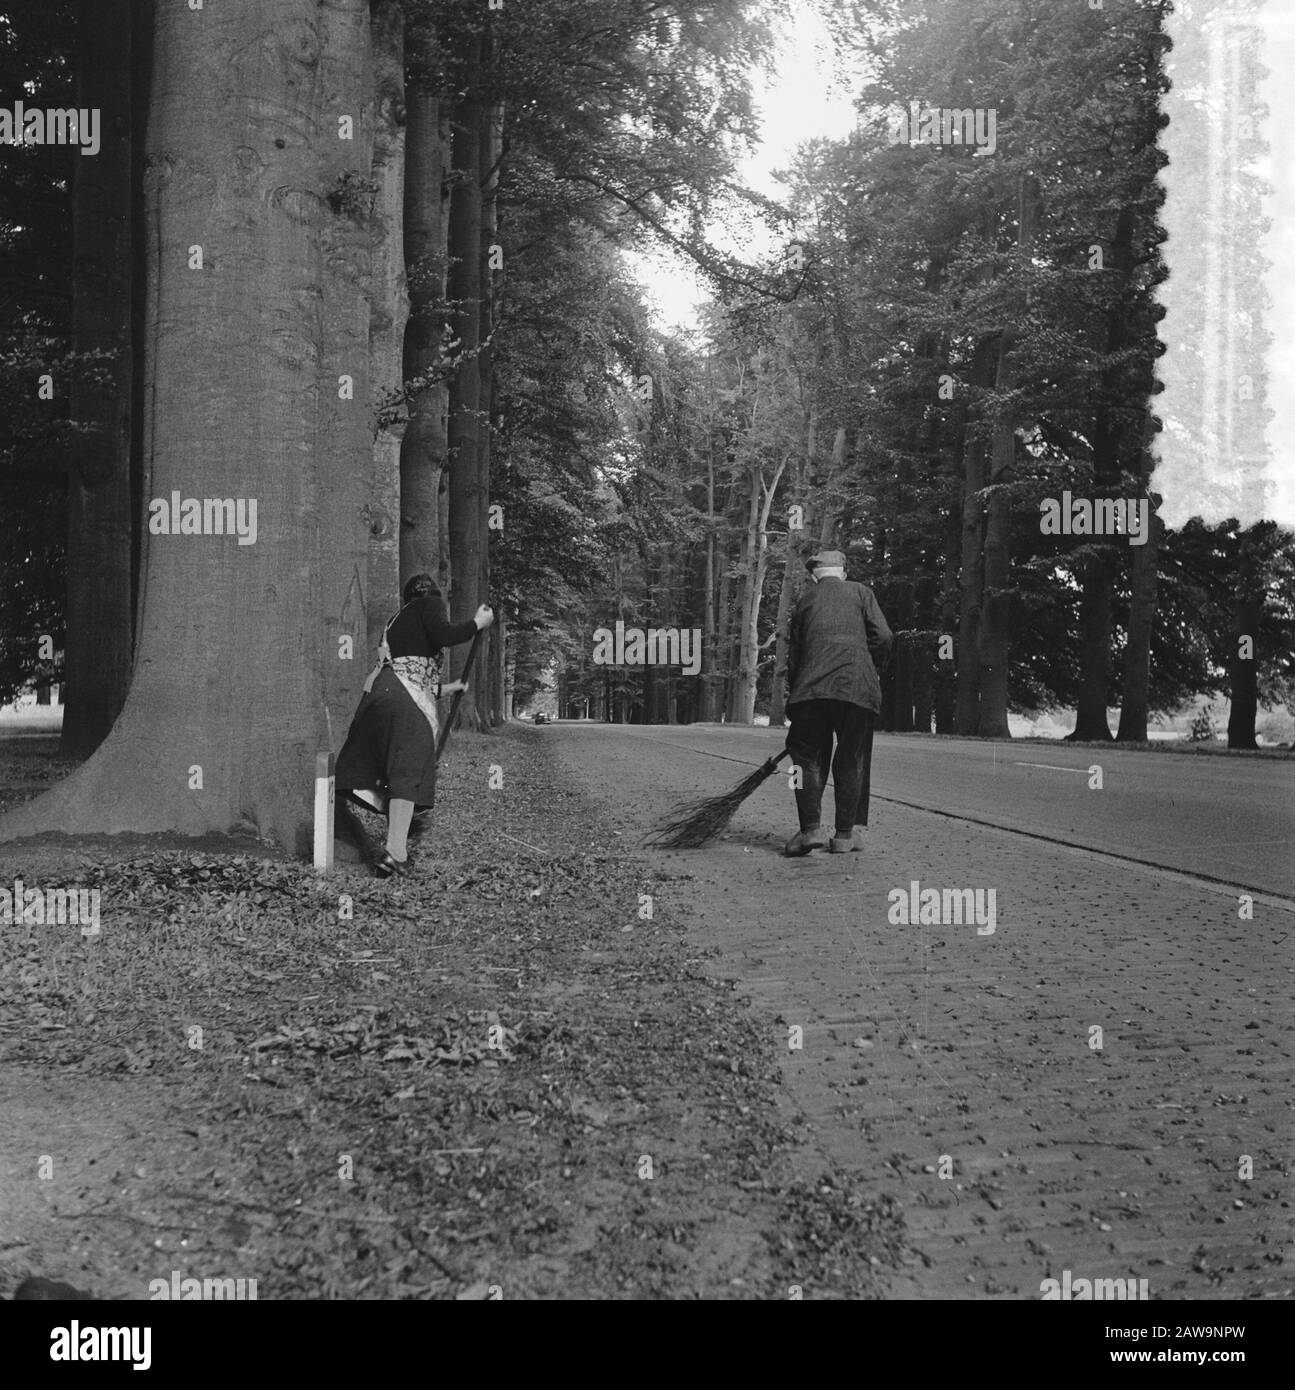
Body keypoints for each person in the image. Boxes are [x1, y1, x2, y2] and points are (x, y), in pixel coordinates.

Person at [336, 573, 493, 877]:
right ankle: (395, 853)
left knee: (386, 767)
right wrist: (478, 623)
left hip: (380, 693)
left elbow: (407, 669)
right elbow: (446, 635)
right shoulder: (429, 605)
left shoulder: (395, 622)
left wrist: (450, 688)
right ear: (431, 596)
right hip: (405, 697)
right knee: (408, 769)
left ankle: (401, 828)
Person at [782, 548, 892, 857]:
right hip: (856, 688)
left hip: (811, 691)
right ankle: (844, 836)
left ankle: (809, 831)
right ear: (842, 573)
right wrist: (867, 666)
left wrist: (798, 693)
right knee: (851, 759)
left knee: (806, 760)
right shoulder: (861, 592)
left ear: (814, 576)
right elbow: (883, 636)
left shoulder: (804, 602)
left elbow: (794, 658)